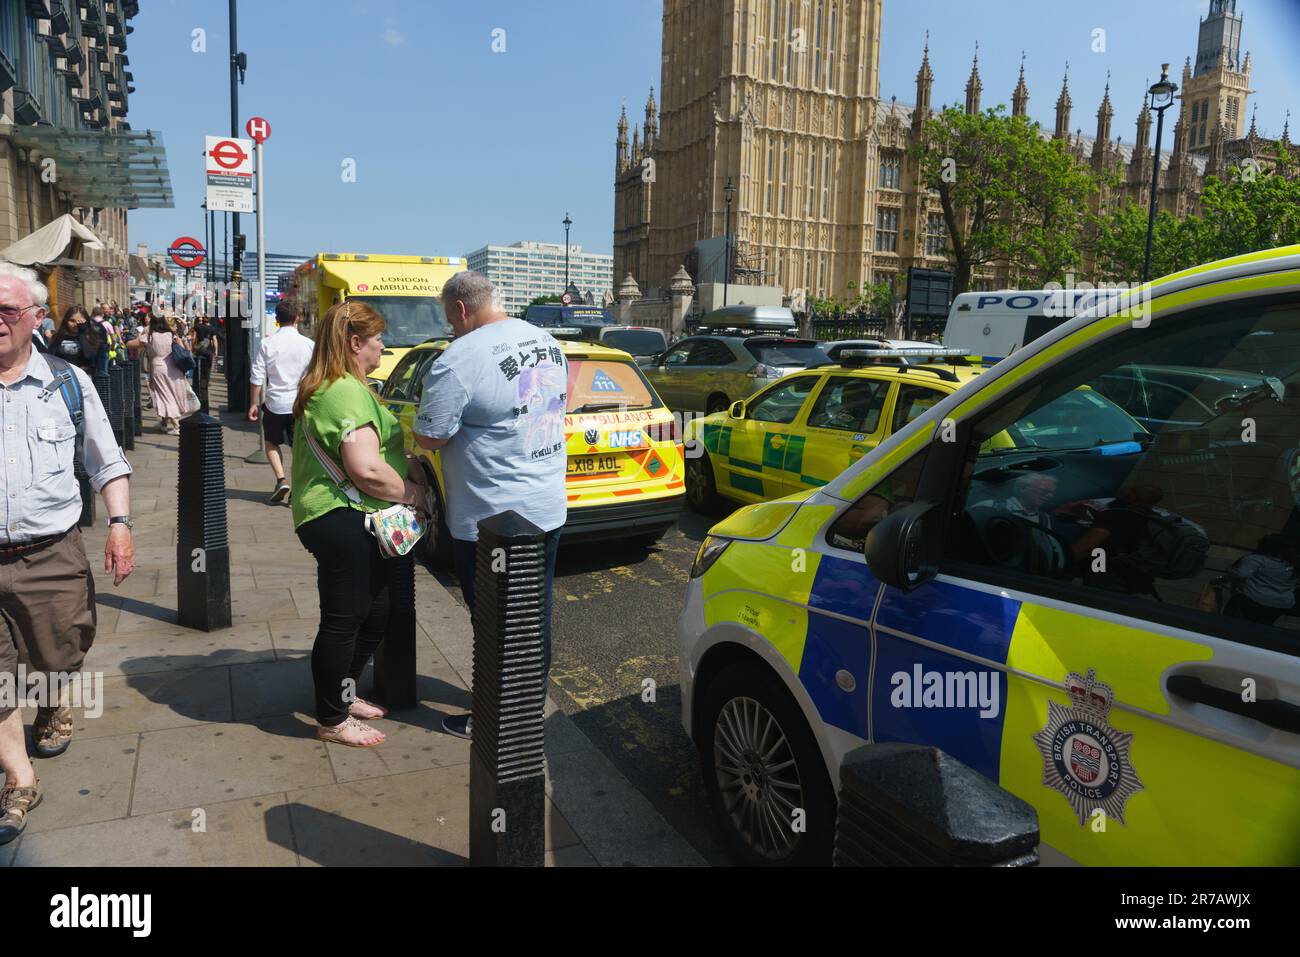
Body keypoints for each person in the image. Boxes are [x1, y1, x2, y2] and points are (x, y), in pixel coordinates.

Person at [0, 263, 135, 846]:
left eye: (7, 311)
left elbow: (105, 460)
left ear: (35, 317)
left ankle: (52, 701)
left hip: (51, 551)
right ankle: (19, 778)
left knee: (58, 653)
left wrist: (120, 525)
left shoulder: (68, 383)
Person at [413, 271, 568, 740]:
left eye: (449, 318)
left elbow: (430, 434)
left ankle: (500, 720)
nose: (452, 327)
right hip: (545, 509)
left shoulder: (460, 358)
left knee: (496, 619)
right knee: (532, 611)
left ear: (460, 309)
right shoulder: (546, 341)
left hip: (489, 519)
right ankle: (526, 703)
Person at [291, 301, 427, 748]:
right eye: (377, 339)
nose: (383, 346)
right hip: (340, 516)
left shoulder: (345, 385)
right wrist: (411, 494)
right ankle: (331, 718)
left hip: (351, 515)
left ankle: (343, 694)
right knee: (344, 618)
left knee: (377, 612)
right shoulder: (344, 392)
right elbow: (366, 470)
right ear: (354, 344)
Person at [249, 301, 314, 503]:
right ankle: (298, 487)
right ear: (298, 318)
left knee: (271, 442)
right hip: (299, 404)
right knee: (299, 449)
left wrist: (253, 403)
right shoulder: (309, 344)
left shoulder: (268, 343)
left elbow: (257, 376)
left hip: (275, 403)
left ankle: (281, 479)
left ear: (276, 320)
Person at [1224, 535, 1297, 626]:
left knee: (1232, 625)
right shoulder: (1292, 564)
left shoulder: (1256, 559)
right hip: (1279, 604)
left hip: (1251, 599)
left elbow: (1241, 574)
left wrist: (1230, 571)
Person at [141, 314, 192, 434]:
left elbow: (136, 343)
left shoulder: (150, 335)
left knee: (165, 396)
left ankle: (176, 426)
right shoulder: (171, 334)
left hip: (158, 367)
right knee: (172, 394)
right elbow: (183, 348)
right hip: (174, 367)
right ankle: (163, 423)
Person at [49, 306, 97, 372]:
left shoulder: (90, 337)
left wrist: (82, 333)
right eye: (72, 321)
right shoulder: (58, 337)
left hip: (83, 377)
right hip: (62, 375)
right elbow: (50, 357)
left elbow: (89, 357)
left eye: (79, 321)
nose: (75, 324)